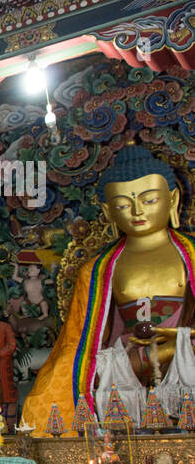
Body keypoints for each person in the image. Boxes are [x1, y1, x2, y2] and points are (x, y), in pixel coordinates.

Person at [25, 145, 193, 433]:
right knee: (50, 396)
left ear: (173, 199)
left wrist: (180, 337)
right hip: (128, 360)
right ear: (108, 211)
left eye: (150, 199)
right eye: (123, 205)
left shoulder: (190, 255)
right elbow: (79, 340)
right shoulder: (96, 270)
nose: (138, 211)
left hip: (185, 353)